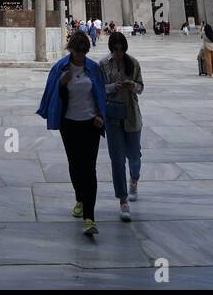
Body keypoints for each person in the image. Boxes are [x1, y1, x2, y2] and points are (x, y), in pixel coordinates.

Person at [36, 31, 108, 236]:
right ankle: (79, 197)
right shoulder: (61, 67)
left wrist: (101, 116)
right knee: (75, 165)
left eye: (83, 51)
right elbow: (52, 93)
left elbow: (101, 94)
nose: (80, 55)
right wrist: (61, 83)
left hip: (90, 124)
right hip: (69, 124)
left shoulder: (93, 68)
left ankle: (89, 217)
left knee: (90, 168)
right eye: (77, 51)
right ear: (71, 50)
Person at [101, 31, 143, 222]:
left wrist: (132, 85)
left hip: (132, 114)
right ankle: (123, 200)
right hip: (112, 117)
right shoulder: (103, 64)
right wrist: (113, 87)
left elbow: (141, 87)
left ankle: (134, 179)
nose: (118, 53)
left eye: (121, 49)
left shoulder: (133, 63)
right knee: (117, 160)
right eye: (115, 50)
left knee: (134, 154)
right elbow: (99, 88)